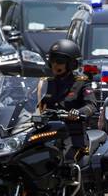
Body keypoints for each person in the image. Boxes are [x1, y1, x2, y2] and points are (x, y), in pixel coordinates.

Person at [37, 38, 97, 179]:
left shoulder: (81, 83)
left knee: (67, 164)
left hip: (72, 135)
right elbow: (30, 103)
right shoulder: (45, 83)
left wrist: (78, 112)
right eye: (52, 60)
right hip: (47, 133)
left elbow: (91, 105)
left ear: (71, 63)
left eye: (59, 61)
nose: (55, 64)